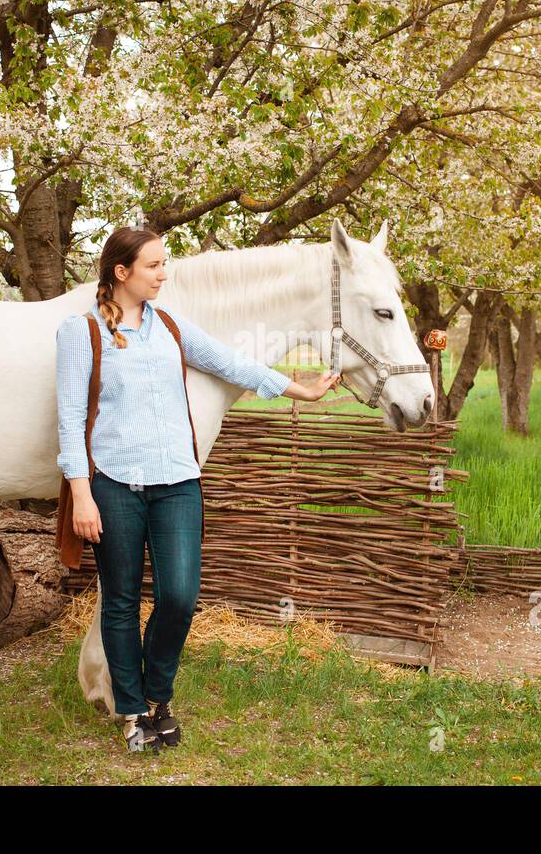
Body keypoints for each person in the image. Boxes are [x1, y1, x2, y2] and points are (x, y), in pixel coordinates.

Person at [55, 226, 340, 752]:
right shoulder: (83, 332)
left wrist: (301, 389)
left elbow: (232, 363)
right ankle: (135, 711)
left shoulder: (169, 326)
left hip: (178, 483)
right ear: (122, 273)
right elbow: (71, 419)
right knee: (119, 601)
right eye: (154, 266)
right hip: (114, 484)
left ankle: (158, 693)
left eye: (165, 264)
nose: (164, 274)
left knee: (179, 595)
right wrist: (81, 492)